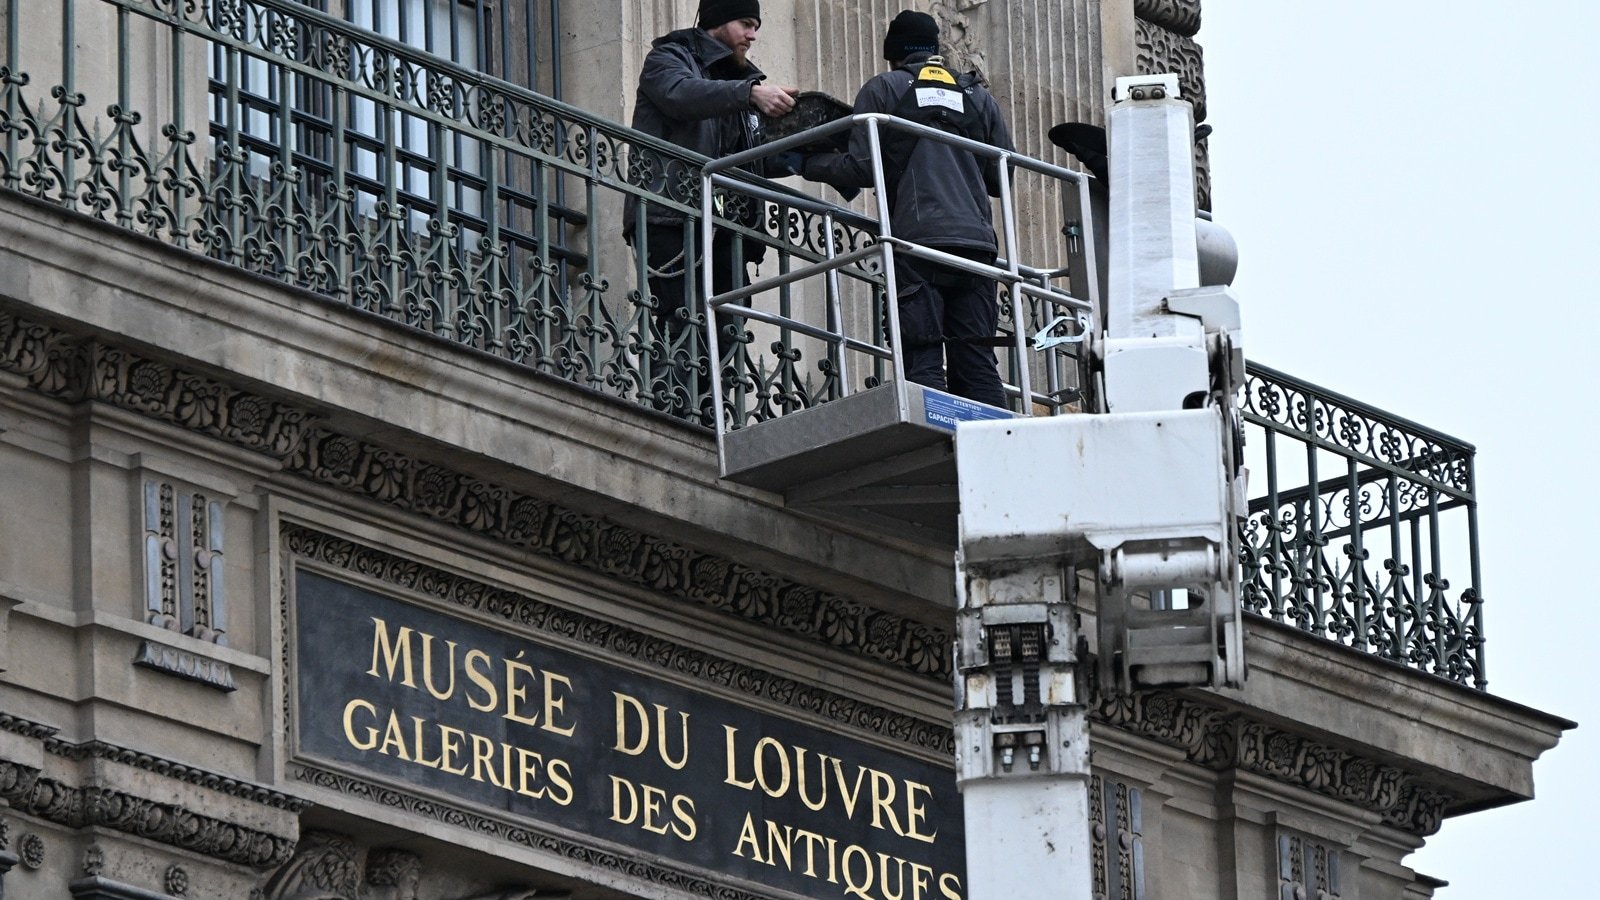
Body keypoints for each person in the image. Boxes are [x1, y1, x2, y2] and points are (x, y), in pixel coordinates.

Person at [799, 10, 1013, 408]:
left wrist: (806, 162)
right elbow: (1002, 178)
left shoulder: (883, 90)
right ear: (936, 51)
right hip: (978, 248)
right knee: (978, 363)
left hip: (918, 244)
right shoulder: (977, 97)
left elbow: (863, 166)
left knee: (924, 357)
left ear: (893, 55)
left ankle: (935, 448)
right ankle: (994, 450)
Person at [624, 0, 797, 422]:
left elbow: (755, 157)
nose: (753, 35)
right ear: (719, 21)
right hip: (671, 218)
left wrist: (834, 157)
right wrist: (749, 94)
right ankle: (678, 413)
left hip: (725, 229)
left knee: (725, 331)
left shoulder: (741, 84)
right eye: (746, 24)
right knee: (681, 320)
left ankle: (713, 416)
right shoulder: (668, 58)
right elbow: (679, 95)